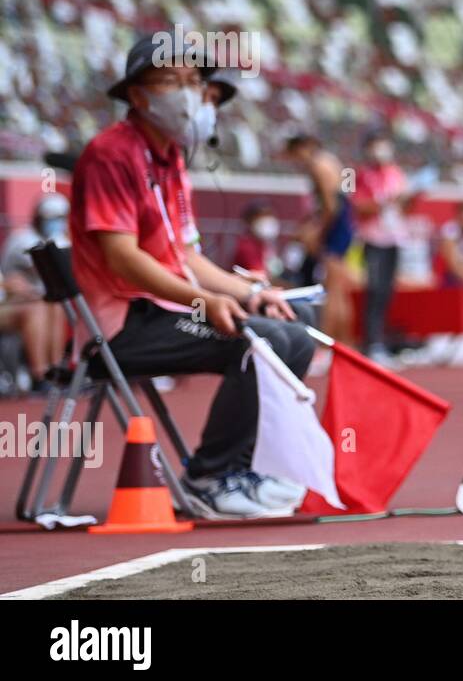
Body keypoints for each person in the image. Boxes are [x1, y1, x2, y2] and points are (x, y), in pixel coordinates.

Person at [71, 33, 315, 518]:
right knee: (255, 341)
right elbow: (123, 258)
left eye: (193, 81)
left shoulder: (171, 159)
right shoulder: (111, 153)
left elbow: (187, 257)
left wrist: (253, 291)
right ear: (137, 95)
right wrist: (205, 302)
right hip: (122, 324)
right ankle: (209, 477)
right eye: (171, 81)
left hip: (164, 308)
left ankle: (247, 467)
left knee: (298, 329)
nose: (187, 93)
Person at [284, 134, 355, 343]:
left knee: (331, 290)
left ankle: (326, 343)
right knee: (339, 290)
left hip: (337, 225)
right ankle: (344, 343)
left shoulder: (317, 165)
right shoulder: (329, 160)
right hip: (343, 222)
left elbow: (331, 206)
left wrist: (318, 232)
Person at [353, 131, 415, 360]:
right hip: (372, 239)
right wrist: (383, 202)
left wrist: (411, 198)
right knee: (375, 290)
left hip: (395, 238)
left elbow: (406, 207)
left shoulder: (396, 173)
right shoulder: (357, 174)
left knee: (387, 291)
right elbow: (356, 205)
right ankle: (371, 343)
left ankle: (381, 340)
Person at [1, 193, 71, 383]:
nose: (55, 223)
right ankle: (41, 375)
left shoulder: (60, 240)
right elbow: (49, 270)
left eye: (59, 219)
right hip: (10, 303)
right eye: (51, 219)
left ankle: (55, 369)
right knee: (38, 307)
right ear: (39, 218)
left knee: (55, 306)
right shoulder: (22, 239)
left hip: (32, 301)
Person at [230, 200, 284, 282]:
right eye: (262, 216)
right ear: (249, 221)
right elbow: (260, 276)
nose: (267, 220)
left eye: (269, 215)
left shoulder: (265, 245)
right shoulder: (247, 247)